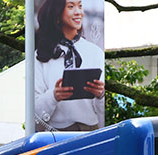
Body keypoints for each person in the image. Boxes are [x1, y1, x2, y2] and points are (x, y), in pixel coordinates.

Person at [34, 0, 105, 131]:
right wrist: (54, 96)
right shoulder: (40, 55)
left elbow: (102, 114)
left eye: (80, 6)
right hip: (55, 134)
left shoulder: (95, 52)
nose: (78, 12)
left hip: (90, 131)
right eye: (71, 7)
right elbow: (34, 111)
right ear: (56, 13)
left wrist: (100, 95)